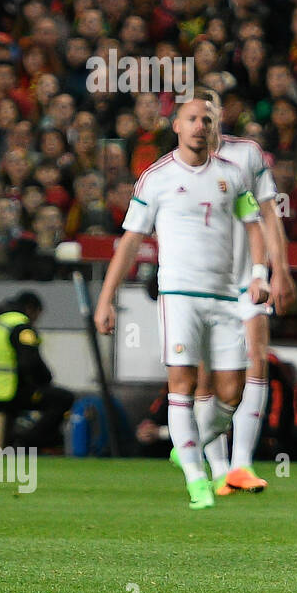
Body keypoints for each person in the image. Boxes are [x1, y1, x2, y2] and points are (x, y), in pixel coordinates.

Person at [94, 92, 271, 510]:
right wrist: (107, 298)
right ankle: (197, 480)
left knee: (232, 390)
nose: (199, 127)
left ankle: (189, 445)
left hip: (227, 295)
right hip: (178, 295)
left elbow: (255, 225)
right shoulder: (155, 178)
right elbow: (129, 243)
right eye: (191, 119)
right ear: (176, 126)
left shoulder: (234, 175)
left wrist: (260, 274)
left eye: (206, 120)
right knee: (184, 383)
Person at [190, 129, 297, 496]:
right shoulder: (175, 170)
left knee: (255, 361)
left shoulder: (247, 157)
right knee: (206, 377)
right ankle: (218, 469)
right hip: (203, 280)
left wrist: (276, 271)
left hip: (247, 278)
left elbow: (269, 215)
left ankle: (241, 464)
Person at [0, 290, 73, 448]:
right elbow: (31, 363)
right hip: (3, 394)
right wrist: (45, 380)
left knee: (26, 398)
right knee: (62, 398)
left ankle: (11, 441)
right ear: (31, 309)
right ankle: (25, 443)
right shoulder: (19, 326)